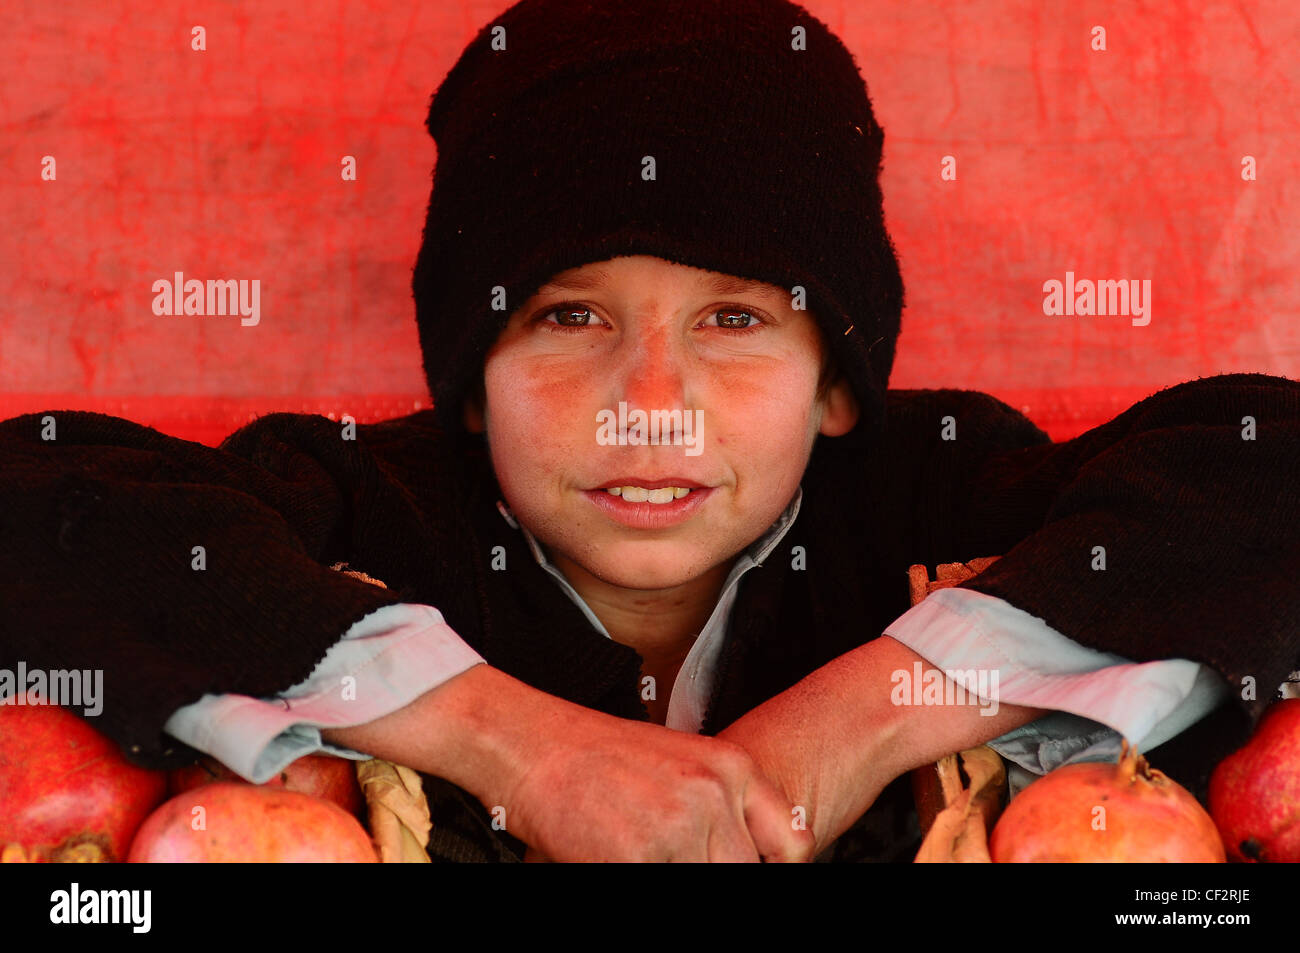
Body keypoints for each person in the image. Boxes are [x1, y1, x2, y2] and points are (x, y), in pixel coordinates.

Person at [3, 0, 1298, 862]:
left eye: (734, 322)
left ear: (836, 380)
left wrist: (864, 715)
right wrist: (502, 736)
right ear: (471, 376)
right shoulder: (356, 498)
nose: (650, 398)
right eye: (572, 319)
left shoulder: (942, 486)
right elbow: (42, 502)